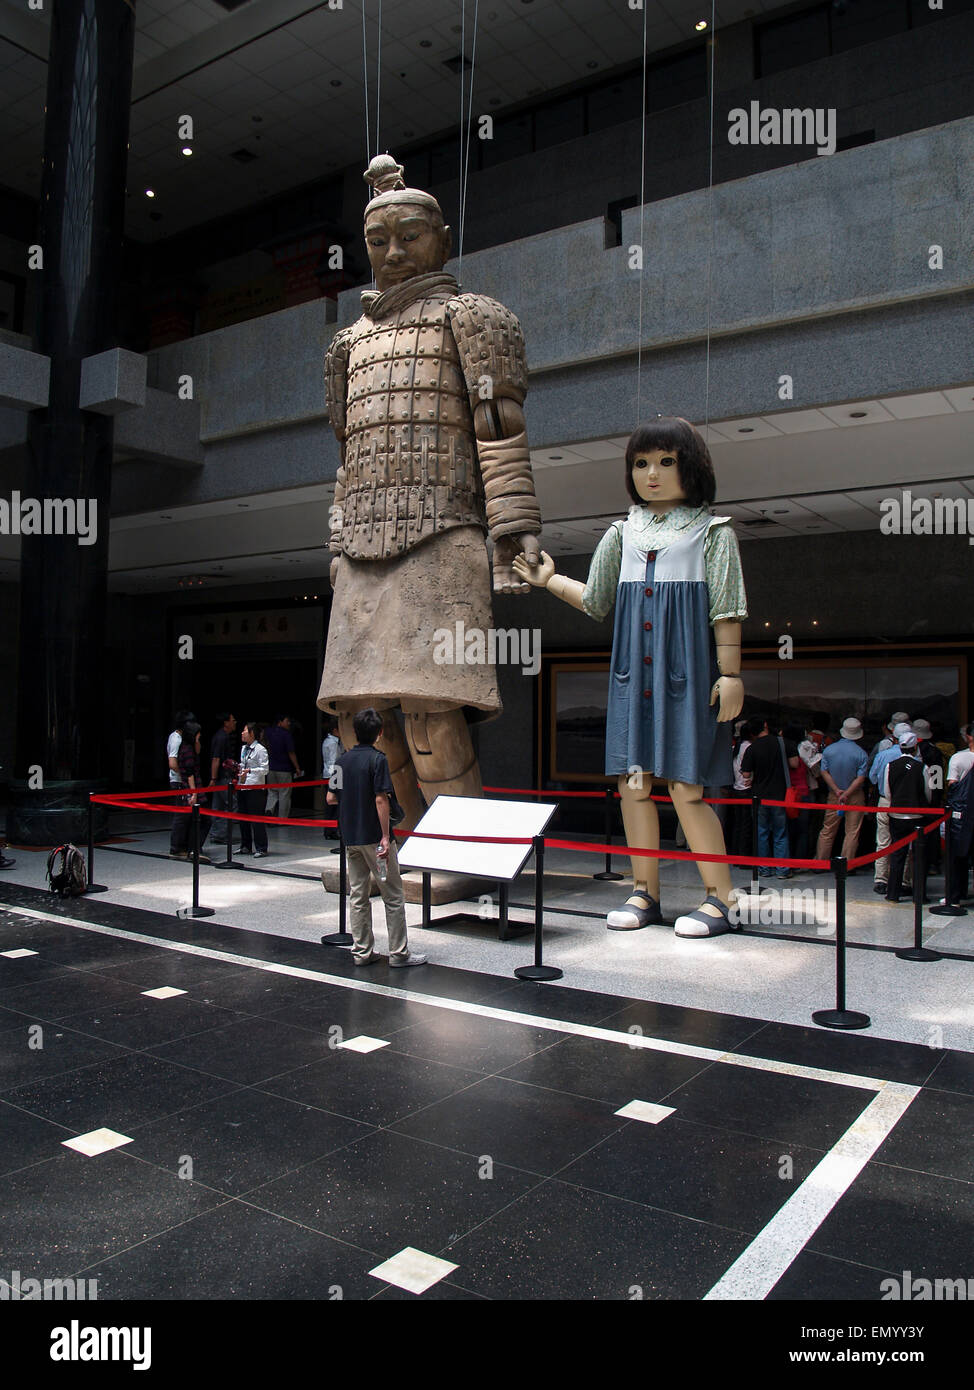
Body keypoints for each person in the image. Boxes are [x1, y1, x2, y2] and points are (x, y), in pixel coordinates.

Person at [317, 152, 542, 836]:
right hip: (362, 542)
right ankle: (404, 845)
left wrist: (514, 528)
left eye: (409, 236)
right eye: (378, 241)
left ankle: (463, 851)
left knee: (429, 712)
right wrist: (334, 544)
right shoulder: (346, 345)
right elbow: (347, 457)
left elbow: (499, 432)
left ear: (442, 239)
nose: (393, 252)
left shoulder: (474, 319)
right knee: (370, 721)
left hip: (444, 531)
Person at [515, 416, 748, 936]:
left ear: (692, 467)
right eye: (642, 463)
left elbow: (726, 610)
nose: (653, 473)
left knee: (688, 789)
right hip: (631, 676)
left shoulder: (714, 532)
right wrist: (549, 580)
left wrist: (730, 672)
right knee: (634, 785)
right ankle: (645, 892)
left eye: (667, 461)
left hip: (688, 676)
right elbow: (598, 601)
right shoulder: (620, 533)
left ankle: (720, 899)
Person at [326, 707, 427, 967]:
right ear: (379, 733)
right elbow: (381, 799)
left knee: (358, 894)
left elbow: (330, 797)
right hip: (374, 837)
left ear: (355, 733)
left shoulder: (341, 761)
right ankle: (399, 953)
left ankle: (362, 951)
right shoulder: (378, 760)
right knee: (392, 895)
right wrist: (385, 836)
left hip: (350, 837)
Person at [741, 717, 798, 878]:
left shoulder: (752, 748)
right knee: (780, 833)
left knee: (761, 833)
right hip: (779, 796)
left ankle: (764, 869)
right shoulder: (782, 743)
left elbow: (745, 773)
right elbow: (794, 763)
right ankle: (782, 870)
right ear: (765, 725)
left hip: (759, 796)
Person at [883, 727, 934, 904]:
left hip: (896, 815)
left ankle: (893, 893)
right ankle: (919, 895)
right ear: (915, 748)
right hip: (917, 816)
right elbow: (928, 792)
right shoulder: (922, 767)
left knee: (897, 855)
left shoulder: (890, 766)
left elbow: (887, 792)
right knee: (919, 856)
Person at [815, 717, 868, 866]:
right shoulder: (861, 753)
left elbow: (824, 772)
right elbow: (861, 778)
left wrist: (837, 790)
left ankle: (820, 862)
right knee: (852, 831)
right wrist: (847, 792)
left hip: (834, 794)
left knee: (828, 829)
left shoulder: (829, 750)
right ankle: (847, 865)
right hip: (855, 795)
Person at [169, 721, 210, 862]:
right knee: (201, 819)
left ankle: (191, 848)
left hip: (191, 787)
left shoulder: (189, 748)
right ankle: (189, 848)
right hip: (190, 787)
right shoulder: (187, 750)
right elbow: (190, 773)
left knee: (195, 819)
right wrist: (194, 793)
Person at [943, 723, 974, 906]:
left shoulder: (958, 758)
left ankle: (956, 895)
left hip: (963, 814)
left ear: (968, 737)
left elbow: (952, 785)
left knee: (958, 855)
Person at [236, 722, 269, 858]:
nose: (242, 733)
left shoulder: (260, 749)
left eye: (244, 731)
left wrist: (250, 771)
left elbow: (265, 769)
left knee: (256, 819)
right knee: (243, 818)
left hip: (255, 788)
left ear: (252, 733)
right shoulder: (244, 748)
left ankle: (261, 847)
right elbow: (243, 764)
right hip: (242, 786)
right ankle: (245, 846)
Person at [264, 715, 303, 820]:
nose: (289, 723)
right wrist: (297, 767)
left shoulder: (269, 732)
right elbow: (291, 752)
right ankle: (282, 818)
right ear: (280, 722)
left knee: (272, 792)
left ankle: (269, 810)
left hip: (271, 767)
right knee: (284, 794)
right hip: (284, 768)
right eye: (287, 721)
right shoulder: (286, 735)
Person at [208, 712, 238, 847]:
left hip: (220, 776)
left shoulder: (220, 736)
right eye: (233, 720)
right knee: (232, 804)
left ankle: (216, 833)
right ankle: (221, 833)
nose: (235, 722)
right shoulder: (222, 737)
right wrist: (213, 778)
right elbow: (216, 759)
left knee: (218, 806)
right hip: (223, 777)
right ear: (226, 722)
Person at [321, 716, 341, 840]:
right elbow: (334, 761)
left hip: (329, 774)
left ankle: (330, 830)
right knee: (333, 804)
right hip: (333, 775)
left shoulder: (329, 741)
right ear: (335, 730)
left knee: (331, 806)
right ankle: (331, 830)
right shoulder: (332, 743)